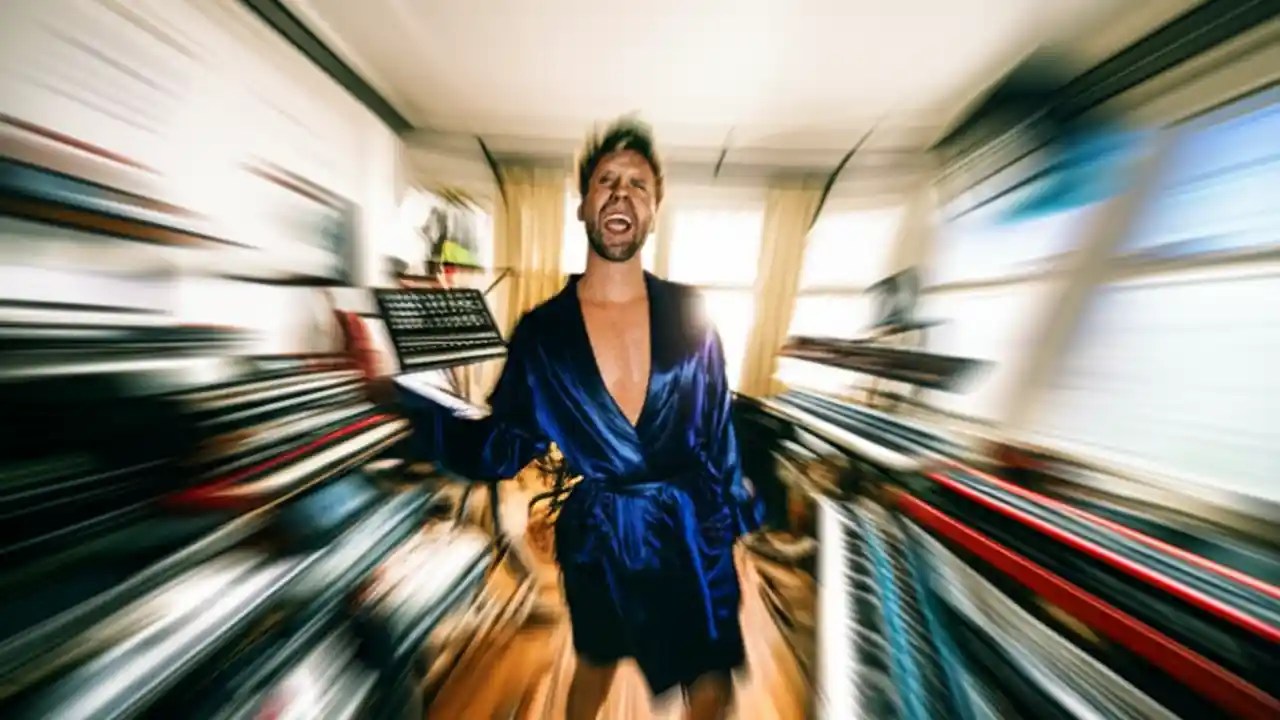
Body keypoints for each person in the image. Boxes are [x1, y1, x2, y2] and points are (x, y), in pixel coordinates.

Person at [400, 118, 760, 720]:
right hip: (601, 537)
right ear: (584, 205)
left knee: (711, 678)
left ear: (654, 210)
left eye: (638, 186)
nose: (622, 194)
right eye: (607, 181)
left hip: (689, 530)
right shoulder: (543, 335)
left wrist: (731, 521)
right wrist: (406, 404)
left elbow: (718, 432)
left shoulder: (692, 313)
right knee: (593, 666)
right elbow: (500, 444)